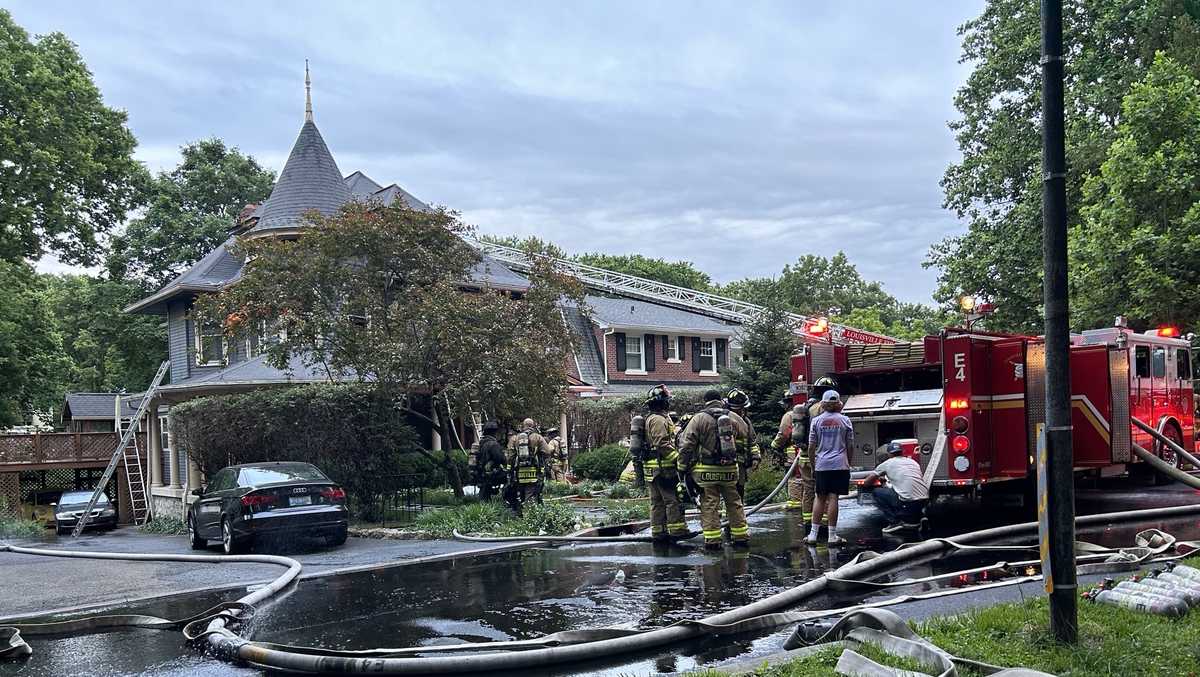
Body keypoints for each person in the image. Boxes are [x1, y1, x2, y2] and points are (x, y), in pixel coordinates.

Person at [679, 389, 750, 548]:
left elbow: (686, 445)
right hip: (730, 470)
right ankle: (741, 537)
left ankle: (713, 541)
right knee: (734, 502)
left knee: (710, 504)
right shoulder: (733, 417)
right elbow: (745, 433)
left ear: (706, 401)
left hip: (706, 471)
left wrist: (682, 467)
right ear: (720, 400)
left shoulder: (698, 418)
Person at [640, 385, 689, 542]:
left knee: (657, 502)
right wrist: (678, 458)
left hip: (653, 469)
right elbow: (662, 443)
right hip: (663, 468)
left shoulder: (652, 418)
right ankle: (677, 531)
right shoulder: (658, 420)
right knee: (672, 500)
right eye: (667, 401)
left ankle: (659, 532)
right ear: (662, 403)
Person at [805, 389, 853, 545]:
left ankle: (813, 535)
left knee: (819, 498)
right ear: (838, 403)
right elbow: (850, 445)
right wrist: (848, 462)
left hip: (822, 465)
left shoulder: (816, 421)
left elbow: (811, 447)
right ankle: (832, 536)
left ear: (823, 404)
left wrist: (813, 466)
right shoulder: (845, 420)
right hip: (840, 464)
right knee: (833, 498)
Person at [864, 441, 930, 533]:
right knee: (906, 491)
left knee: (877, 492)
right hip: (925, 500)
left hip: (908, 502)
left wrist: (878, 479)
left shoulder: (887, 463)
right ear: (902, 452)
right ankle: (920, 517)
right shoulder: (912, 462)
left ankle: (894, 522)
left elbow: (867, 482)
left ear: (889, 454)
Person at [771, 388, 814, 518]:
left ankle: (795, 507)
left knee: (794, 477)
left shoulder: (788, 415)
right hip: (807, 451)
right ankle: (804, 505)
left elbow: (784, 433)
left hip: (793, 453)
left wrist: (774, 445)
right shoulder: (808, 411)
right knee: (807, 480)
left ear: (788, 403)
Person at [506, 418, 550, 515]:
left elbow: (510, 456)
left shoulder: (515, 438)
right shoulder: (538, 437)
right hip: (533, 471)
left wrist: (509, 471)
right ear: (533, 425)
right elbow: (547, 452)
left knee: (520, 493)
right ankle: (529, 518)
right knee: (530, 494)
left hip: (519, 472)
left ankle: (520, 513)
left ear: (523, 425)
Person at [725, 389, 761, 501]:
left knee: (739, 491)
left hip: (740, 464)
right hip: (726, 463)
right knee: (729, 491)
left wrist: (755, 457)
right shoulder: (724, 420)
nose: (743, 411)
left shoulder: (746, 421)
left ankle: (737, 514)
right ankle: (732, 514)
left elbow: (752, 441)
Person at [477, 421, 508, 501]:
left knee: (485, 493)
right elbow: (500, 459)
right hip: (491, 474)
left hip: (481, 473)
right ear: (494, 432)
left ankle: (485, 502)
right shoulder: (493, 444)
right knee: (510, 478)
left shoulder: (482, 443)